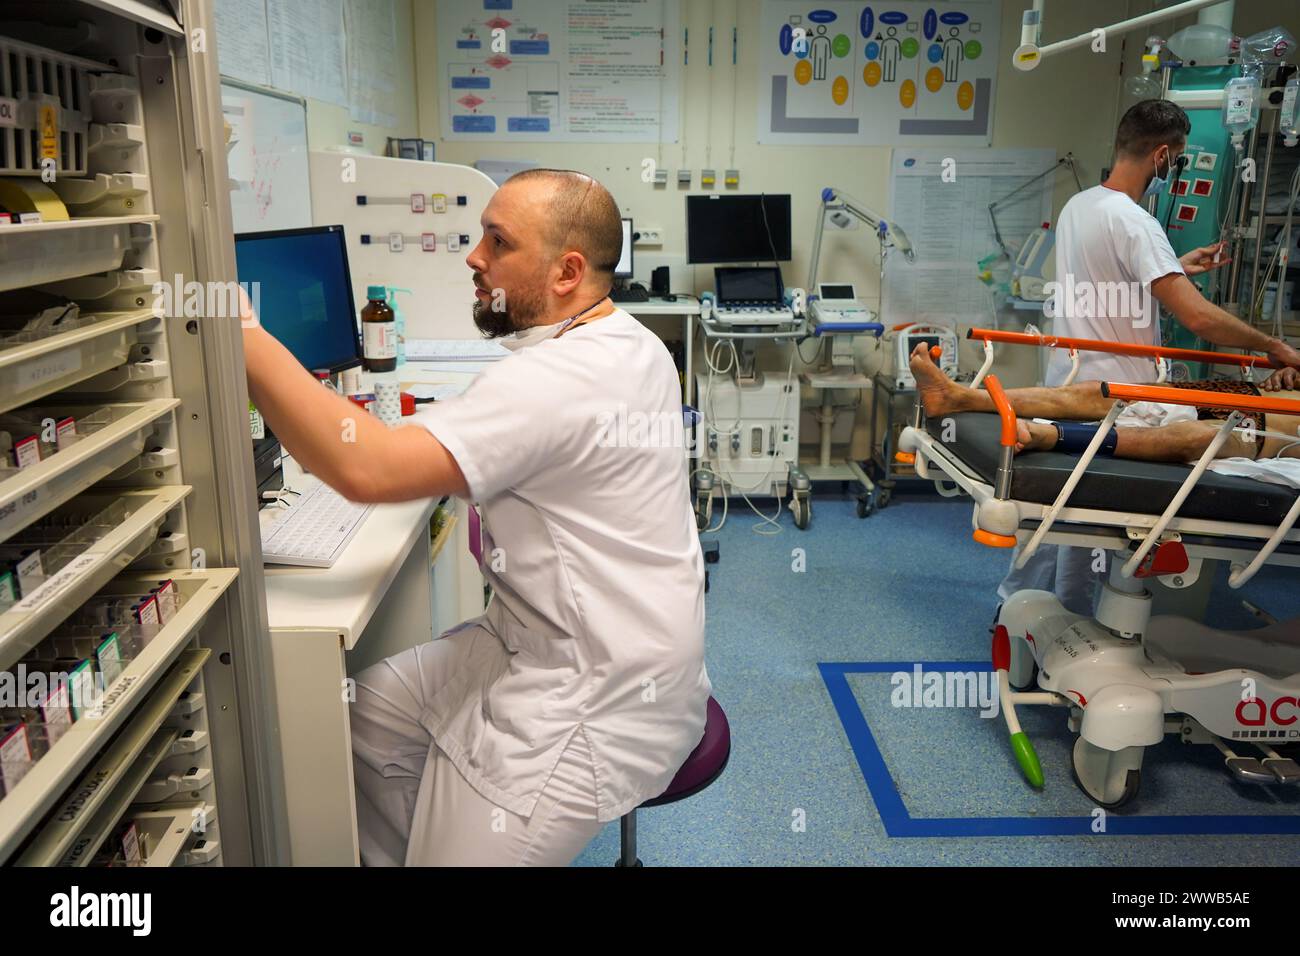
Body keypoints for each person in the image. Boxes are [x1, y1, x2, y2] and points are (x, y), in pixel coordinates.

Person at [240, 169, 711, 865]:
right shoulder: (625, 341)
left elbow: (366, 469)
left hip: (596, 690)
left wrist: (241, 334)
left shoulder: (563, 378)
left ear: (566, 271)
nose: (473, 256)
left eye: (498, 241)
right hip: (541, 638)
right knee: (361, 719)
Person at [1002, 98, 1300, 614]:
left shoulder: (1081, 206)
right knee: (1084, 532)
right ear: (1162, 155)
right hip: (1121, 401)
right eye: (1178, 159)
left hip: (1068, 384)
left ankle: (1010, 610)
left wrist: (1175, 267)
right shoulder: (1137, 224)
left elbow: (1110, 277)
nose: (1174, 169)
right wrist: (1273, 346)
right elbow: (1200, 319)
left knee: (1049, 518)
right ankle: (1066, 632)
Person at [910, 343, 1300, 462]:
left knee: (1197, 438)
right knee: (1099, 392)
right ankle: (958, 397)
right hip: (1244, 394)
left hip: (1272, 438)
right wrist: (1288, 376)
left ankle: (1051, 437)